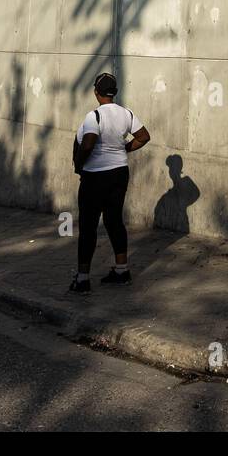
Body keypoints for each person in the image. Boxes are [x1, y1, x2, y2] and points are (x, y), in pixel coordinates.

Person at [69, 72, 151, 294]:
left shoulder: (93, 116)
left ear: (96, 92)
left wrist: (78, 165)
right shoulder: (127, 114)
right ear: (115, 92)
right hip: (119, 173)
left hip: (95, 175)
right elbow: (144, 136)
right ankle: (122, 270)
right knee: (114, 220)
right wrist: (124, 148)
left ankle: (83, 278)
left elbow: (87, 144)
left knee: (88, 226)